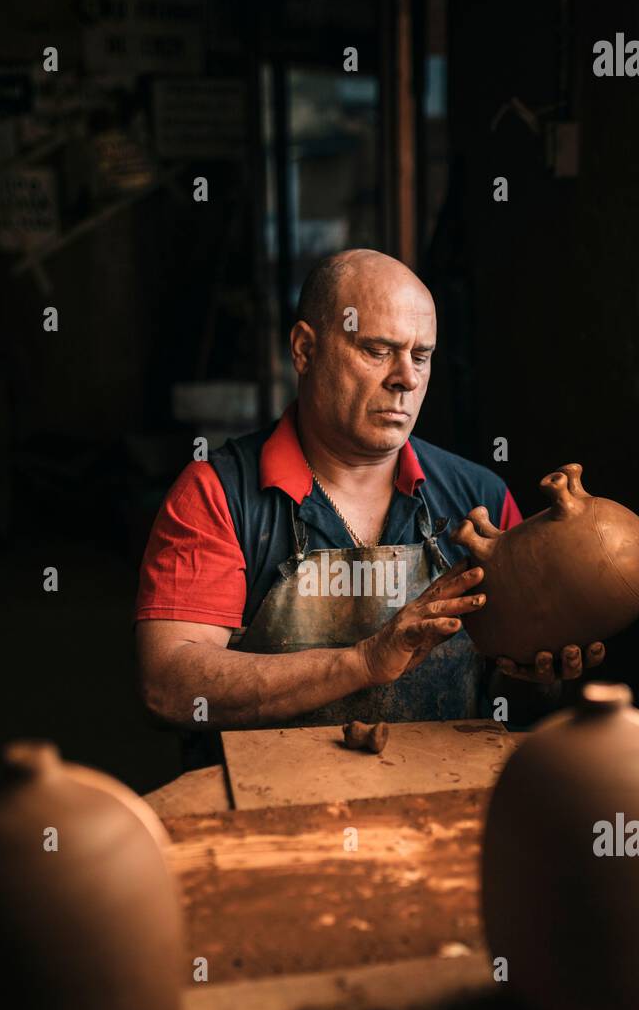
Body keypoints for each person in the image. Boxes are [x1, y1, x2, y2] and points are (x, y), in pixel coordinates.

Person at [136, 249, 603, 768]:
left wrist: (535, 679)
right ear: (304, 350)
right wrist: (364, 662)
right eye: (377, 351)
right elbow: (168, 686)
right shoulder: (218, 494)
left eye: (420, 356)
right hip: (269, 806)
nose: (405, 378)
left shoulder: (481, 498)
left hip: (438, 796)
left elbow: (510, 705)